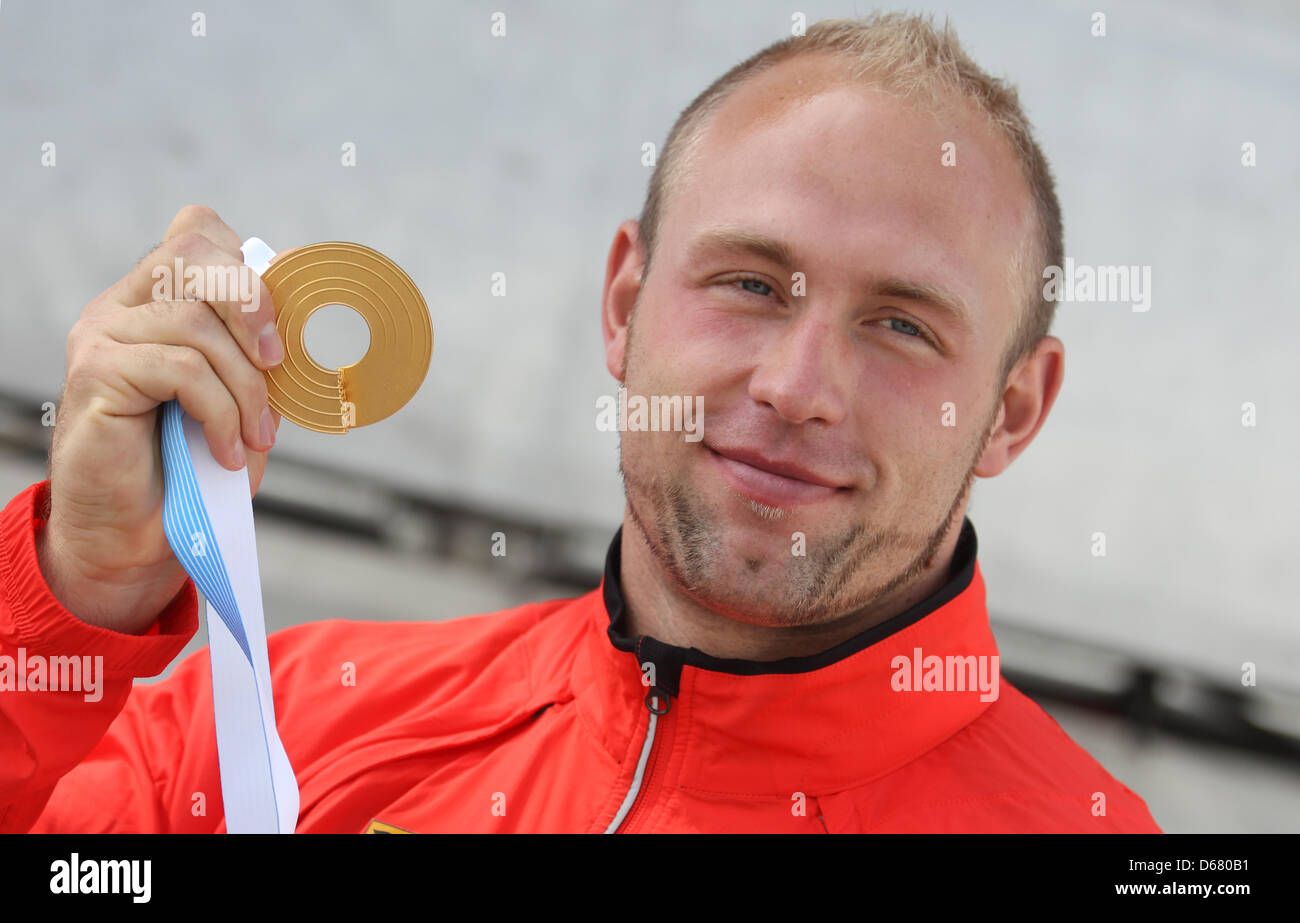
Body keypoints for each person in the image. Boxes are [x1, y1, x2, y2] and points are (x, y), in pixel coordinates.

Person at [0, 12, 1161, 832]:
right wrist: (77, 589)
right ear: (622, 306)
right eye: (751, 283)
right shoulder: (276, 724)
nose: (796, 386)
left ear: (1013, 410)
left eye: (902, 325)